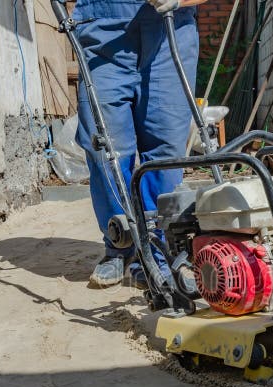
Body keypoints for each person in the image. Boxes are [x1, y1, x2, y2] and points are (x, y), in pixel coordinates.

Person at [73, 0, 209, 287]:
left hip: (171, 25)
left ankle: (160, 251)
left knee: (166, 148)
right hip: (102, 32)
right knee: (105, 146)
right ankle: (120, 244)